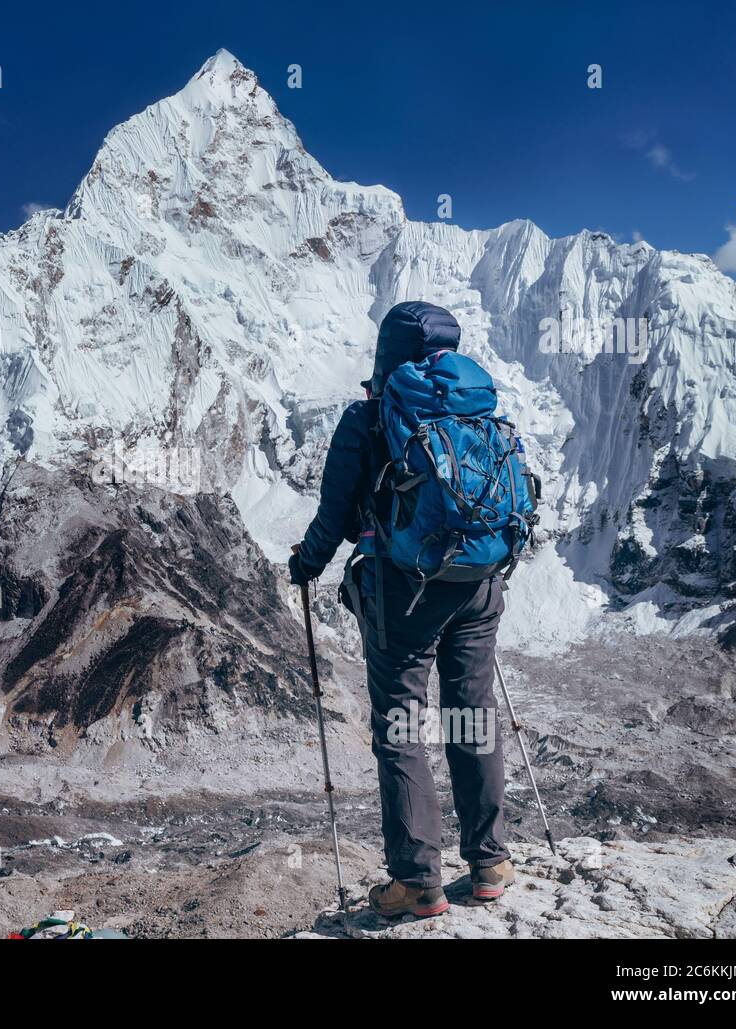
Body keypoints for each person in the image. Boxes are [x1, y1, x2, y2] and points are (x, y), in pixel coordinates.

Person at [288, 301, 516, 918]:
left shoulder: (368, 420)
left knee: (401, 731)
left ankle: (417, 881)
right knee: (471, 714)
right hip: (479, 581)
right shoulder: (478, 406)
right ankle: (490, 861)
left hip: (403, 594)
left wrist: (306, 564)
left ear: (384, 355)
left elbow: (334, 517)